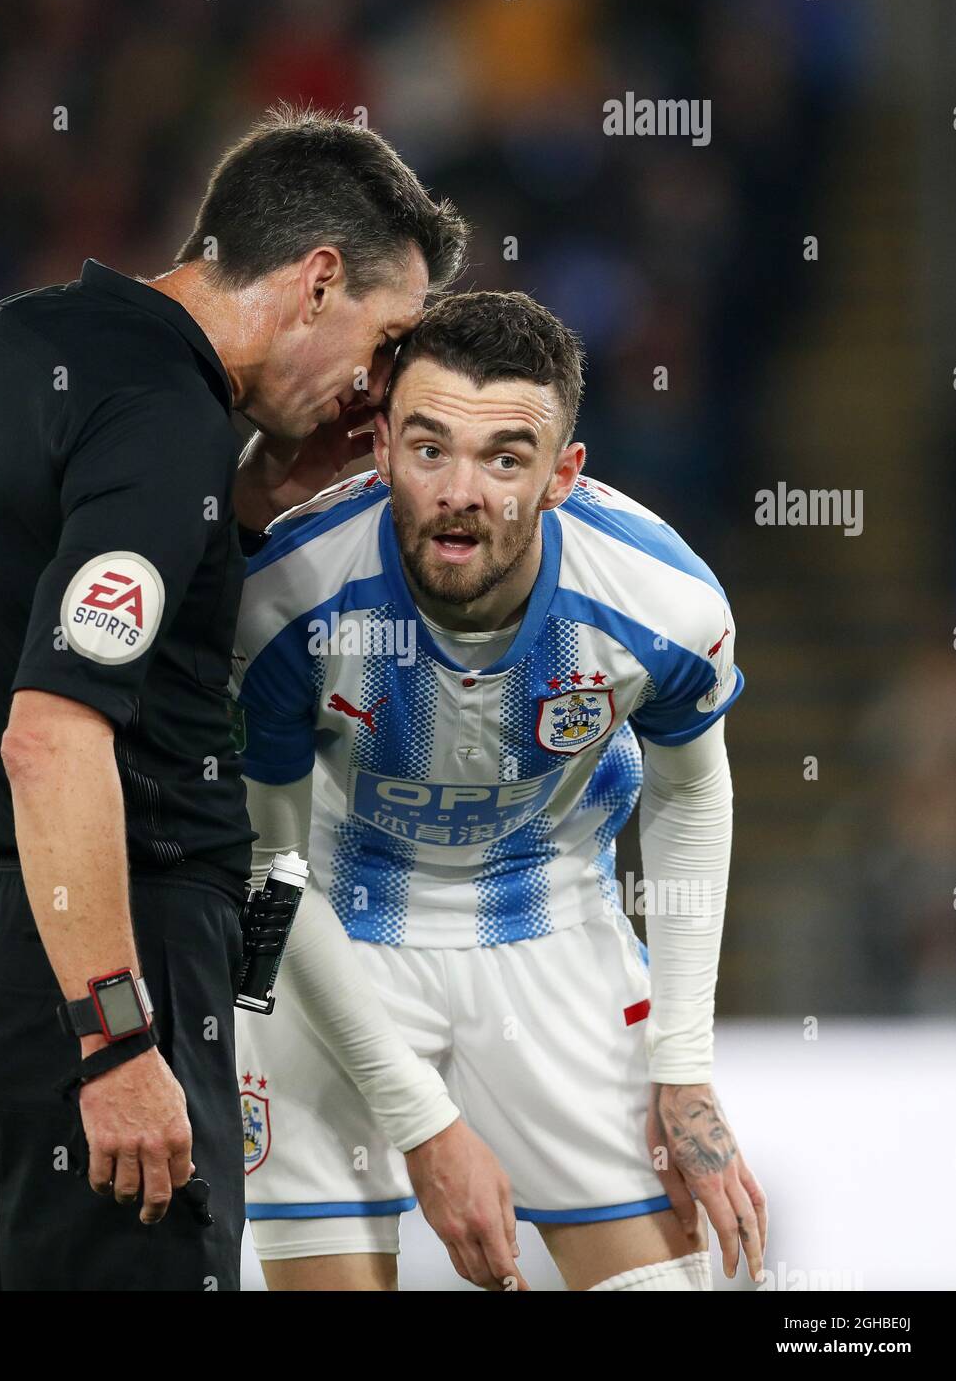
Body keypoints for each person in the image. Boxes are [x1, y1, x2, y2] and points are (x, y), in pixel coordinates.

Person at [0, 105, 468, 1290]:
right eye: (386, 337)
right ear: (317, 281)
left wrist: (247, 501)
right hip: (107, 942)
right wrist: (113, 1039)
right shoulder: (164, 416)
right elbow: (51, 736)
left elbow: (41, 588)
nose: (380, 388)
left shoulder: (5, 345)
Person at [231, 290, 767, 1291]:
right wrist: (426, 1128)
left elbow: (691, 797)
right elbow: (270, 866)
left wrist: (682, 1066)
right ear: (381, 445)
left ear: (562, 474)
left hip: (553, 932)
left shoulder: (662, 602)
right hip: (329, 947)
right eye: (429, 448)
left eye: (505, 458)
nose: (459, 490)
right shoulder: (281, 598)